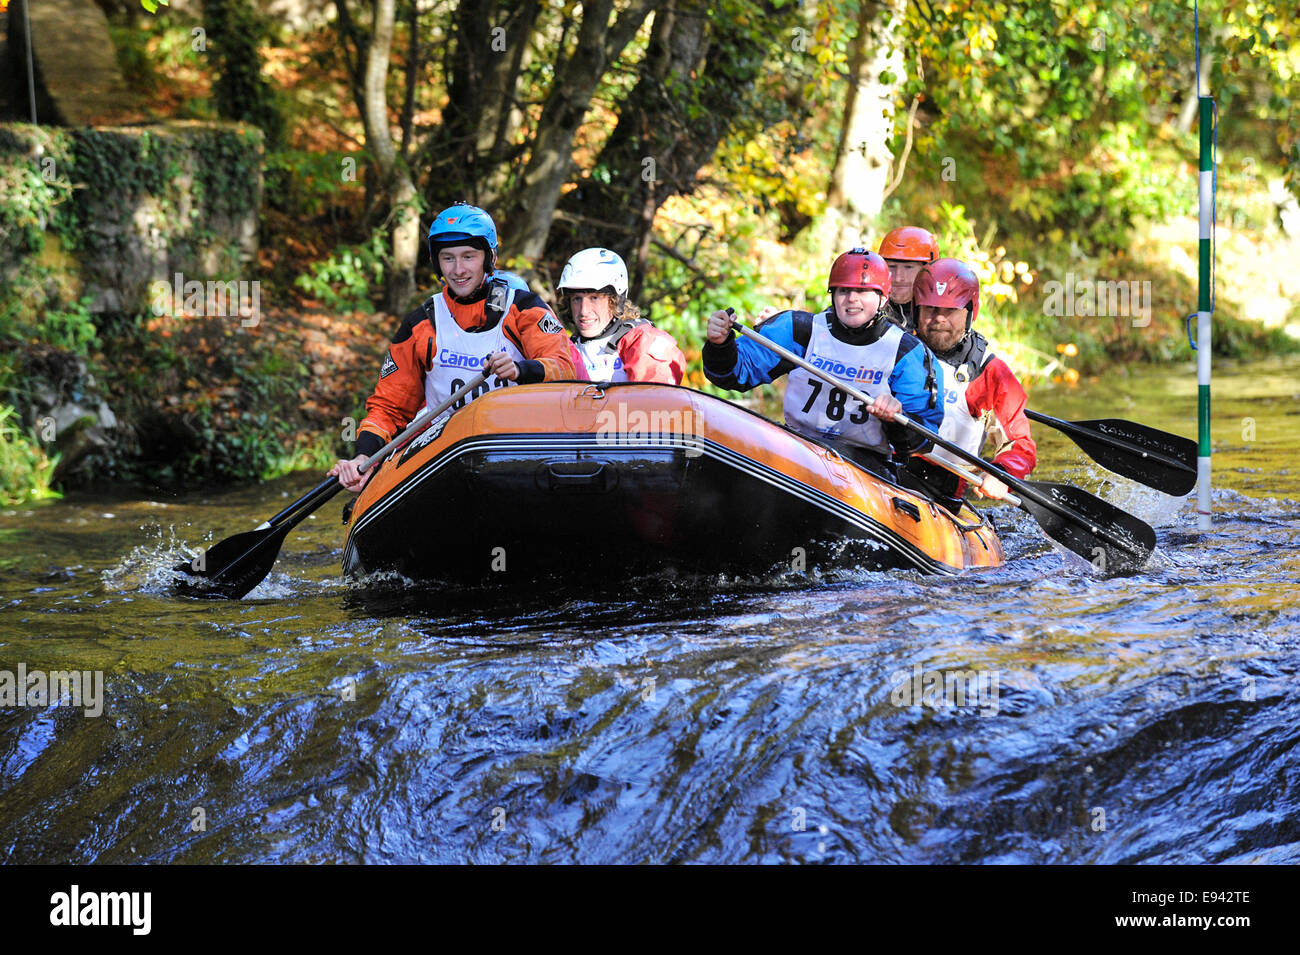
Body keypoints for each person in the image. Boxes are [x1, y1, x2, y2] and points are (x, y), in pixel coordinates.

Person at [330, 202, 577, 492]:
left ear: (488, 258)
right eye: (448, 258)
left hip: (515, 451)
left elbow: (563, 367)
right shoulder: (421, 323)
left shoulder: (523, 309)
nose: (458, 270)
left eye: (468, 257)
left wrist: (521, 369)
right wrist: (364, 456)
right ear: (437, 263)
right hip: (445, 458)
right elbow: (389, 406)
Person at [702, 248, 943, 475]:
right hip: (797, 446)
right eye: (843, 291)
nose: (851, 299)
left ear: (883, 299)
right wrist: (721, 345)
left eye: (862, 292)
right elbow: (734, 375)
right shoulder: (798, 330)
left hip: (866, 463)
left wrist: (897, 419)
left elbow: (921, 440)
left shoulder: (906, 352)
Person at [905, 258, 1037, 508]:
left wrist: (1002, 473)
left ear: (970, 312)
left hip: (943, 488)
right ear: (916, 310)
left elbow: (1020, 444)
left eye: (950, 311)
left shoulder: (989, 373)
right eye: (931, 309)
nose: (939, 319)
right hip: (883, 467)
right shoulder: (896, 348)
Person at [557, 248, 686, 384]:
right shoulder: (567, 348)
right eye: (577, 299)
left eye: (594, 298)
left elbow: (654, 398)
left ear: (615, 300)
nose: (583, 311)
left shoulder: (642, 341)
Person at [878, 226, 939, 331]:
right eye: (891, 267)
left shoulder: (942, 316)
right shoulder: (868, 311)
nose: (898, 278)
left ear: (929, 271)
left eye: (908, 267)